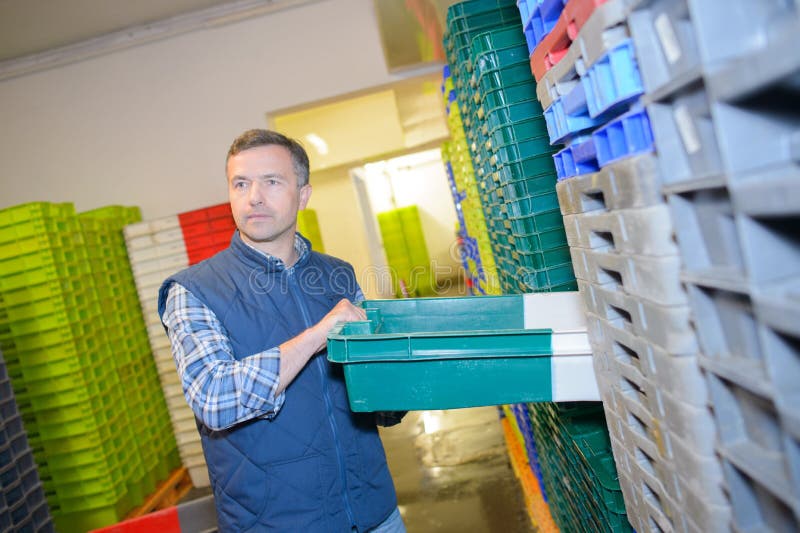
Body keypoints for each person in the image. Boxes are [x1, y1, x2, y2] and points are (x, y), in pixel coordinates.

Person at [158, 129, 404, 532]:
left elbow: (375, 397)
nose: (254, 196)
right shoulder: (194, 291)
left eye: (271, 181)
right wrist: (315, 336)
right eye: (240, 184)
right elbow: (215, 399)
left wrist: (404, 372)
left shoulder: (337, 275)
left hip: (375, 514)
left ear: (303, 195)